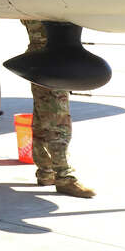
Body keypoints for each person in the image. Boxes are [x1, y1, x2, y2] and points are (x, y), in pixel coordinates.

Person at [21, 21, 96, 198]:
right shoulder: (50, 0)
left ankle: (46, 172)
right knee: (58, 122)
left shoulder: (32, 1)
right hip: (53, 59)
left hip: (40, 58)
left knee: (42, 116)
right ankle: (64, 177)